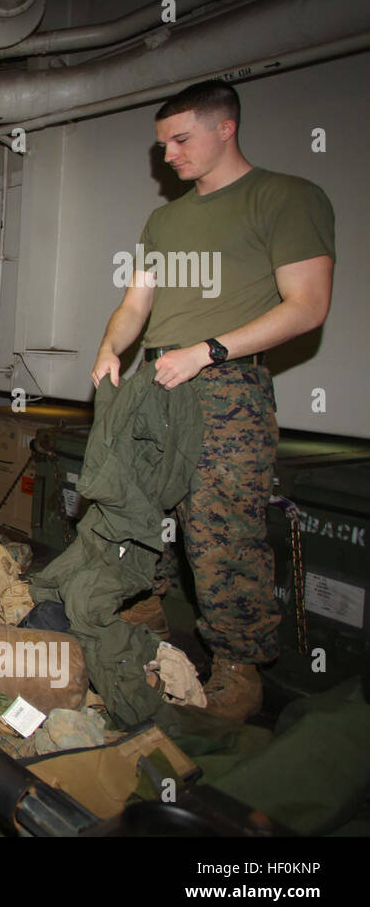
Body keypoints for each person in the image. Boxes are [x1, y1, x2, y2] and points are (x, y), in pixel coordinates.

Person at [90, 80, 334, 721]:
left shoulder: (285, 198)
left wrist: (210, 350)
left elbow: (307, 306)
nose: (167, 155)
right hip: (155, 385)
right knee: (134, 514)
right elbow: (136, 302)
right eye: (162, 144)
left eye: (179, 140)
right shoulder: (164, 220)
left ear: (225, 128)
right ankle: (148, 630)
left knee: (220, 531)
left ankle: (237, 670)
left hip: (225, 388)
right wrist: (111, 348)